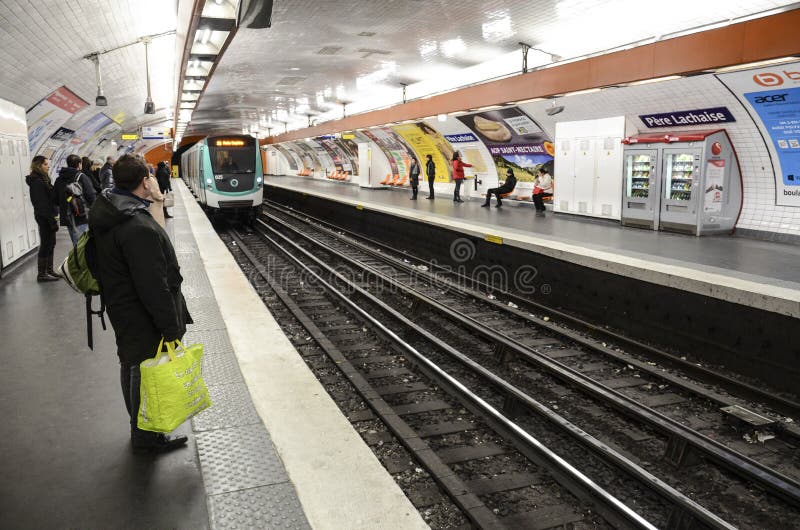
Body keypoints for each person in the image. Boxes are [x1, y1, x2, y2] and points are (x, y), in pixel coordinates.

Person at [88, 154, 192, 453]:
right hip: (140, 312)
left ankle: (141, 429)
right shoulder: (135, 226)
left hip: (121, 304)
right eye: (149, 177)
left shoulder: (111, 209)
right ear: (145, 181)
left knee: (131, 363)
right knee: (142, 370)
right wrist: (171, 327)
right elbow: (153, 286)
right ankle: (145, 437)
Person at [25, 156, 60, 282]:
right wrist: (51, 220)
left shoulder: (43, 179)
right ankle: (42, 274)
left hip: (48, 216)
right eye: (45, 164)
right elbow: (42, 204)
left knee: (51, 243)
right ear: (39, 166)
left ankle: (49, 270)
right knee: (46, 243)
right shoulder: (37, 182)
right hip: (44, 217)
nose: (48, 166)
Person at [54, 154, 97, 245]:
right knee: (85, 244)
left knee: (76, 243)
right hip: (82, 214)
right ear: (79, 164)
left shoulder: (59, 179)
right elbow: (91, 196)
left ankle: (77, 258)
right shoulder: (81, 177)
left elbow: (55, 199)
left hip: (67, 216)